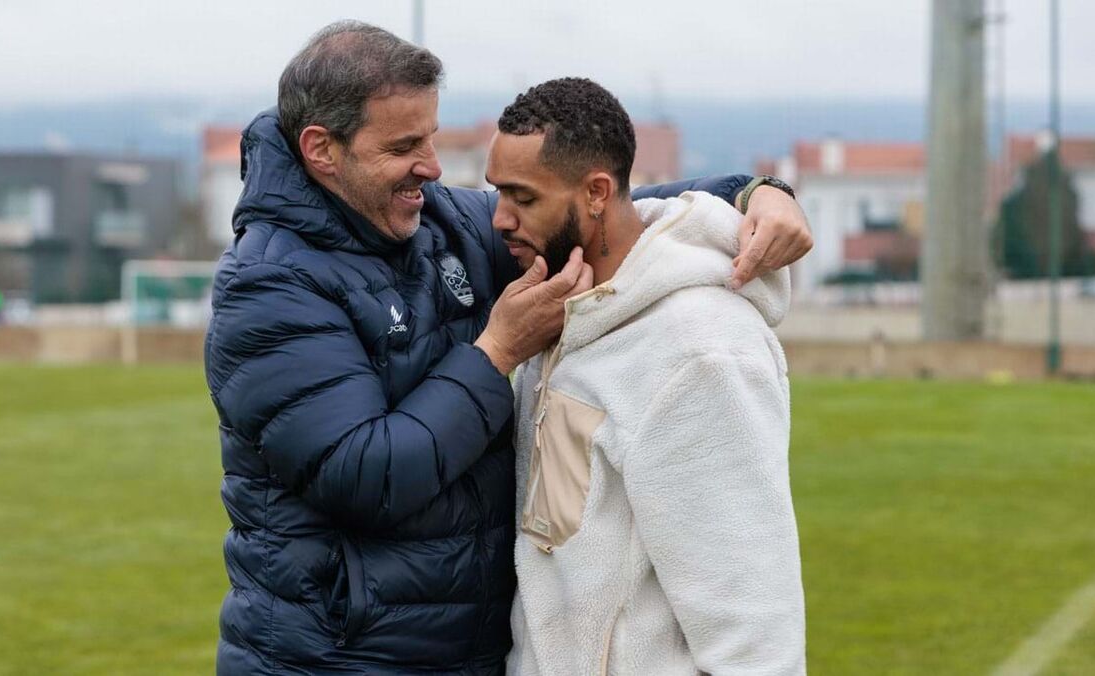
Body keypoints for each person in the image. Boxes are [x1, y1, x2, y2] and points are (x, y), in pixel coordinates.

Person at [203, 21, 811, 675]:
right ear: (323, 149)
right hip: (335, 660)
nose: (432, 166)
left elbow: (591, 207)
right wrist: (496, 351)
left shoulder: (439, 222)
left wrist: (755, 194)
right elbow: (367, 477)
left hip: (466, 654)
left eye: (430, 137)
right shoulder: (267, 286)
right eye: (404, 146)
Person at [488, 78, 805, 675]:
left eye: (522, 198)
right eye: (497, 192)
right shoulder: (562, 314)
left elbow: (755, 632)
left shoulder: (700, 351)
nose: (500, 218)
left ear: (597, 193)